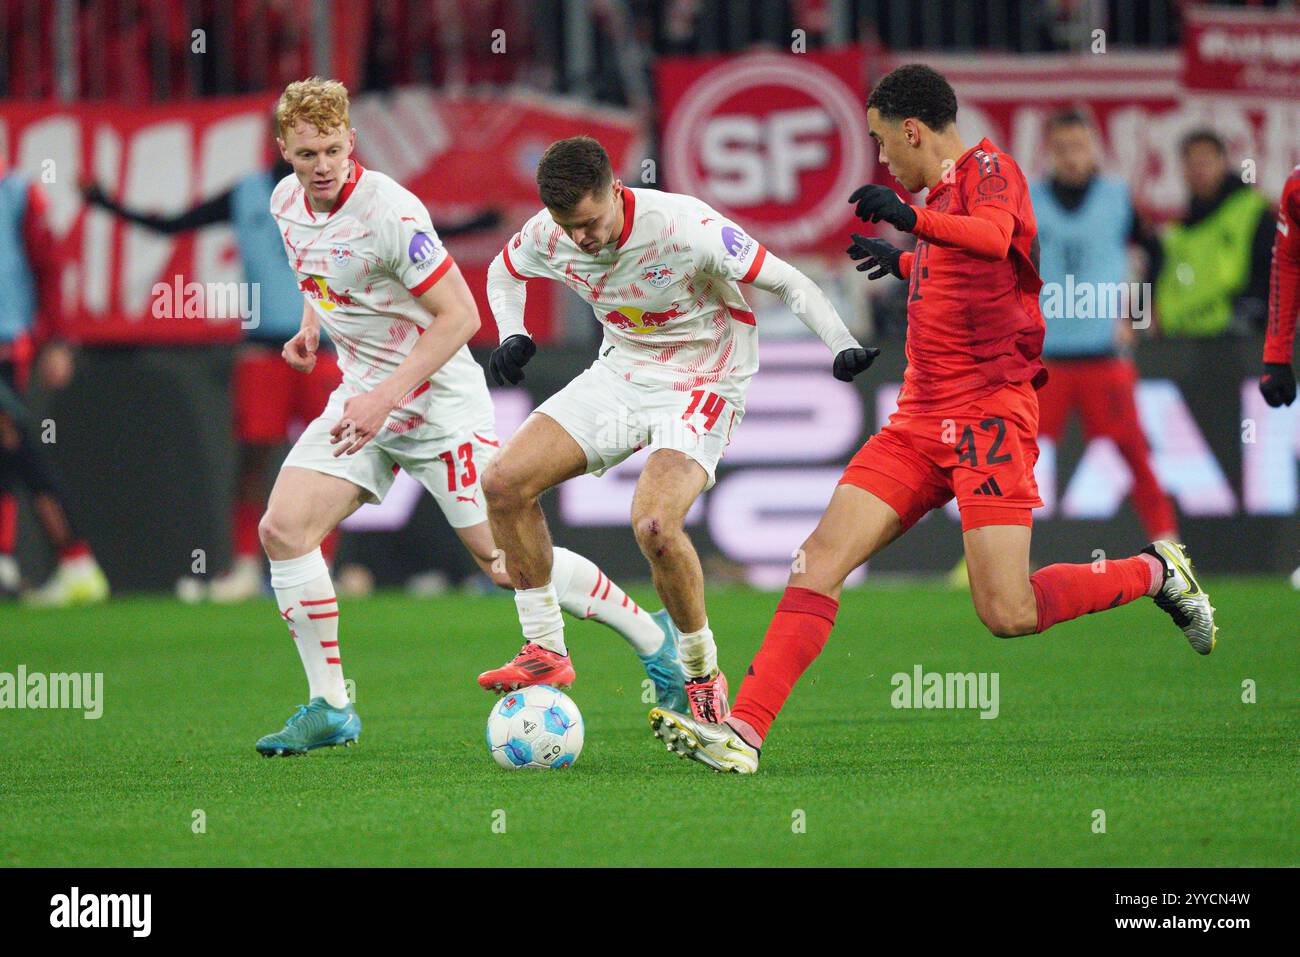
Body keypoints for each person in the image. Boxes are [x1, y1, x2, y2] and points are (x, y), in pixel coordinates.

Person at [647, 64, 1218, 774]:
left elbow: (989, 237)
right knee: (818, 559)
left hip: (989, 417)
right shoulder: (948, 194)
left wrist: (911, 219)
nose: (883, 158)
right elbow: (971, 268)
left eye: (884, 143)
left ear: (913, 130)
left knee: (1006, 612)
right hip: (918, 418)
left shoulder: (992, 170)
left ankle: (1155, 572)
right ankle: (744, 731)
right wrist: (909, 261)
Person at [253, 78, 680, 757]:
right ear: (285, 151)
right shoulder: (285, 203)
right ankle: (331, 705)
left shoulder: (390, 212)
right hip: (364, 399)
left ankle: (658, 644)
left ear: (351, 142)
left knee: (508, 565)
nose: (323, 166)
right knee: (283, 529)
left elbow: (461, 316)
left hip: (435, 405)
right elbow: (323, 276)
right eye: (307, 154)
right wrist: (312, 325)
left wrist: (384, 397)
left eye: (334, 149)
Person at [475, 136, 877, 724]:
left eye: (589, 222)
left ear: (616, 190)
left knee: (655, 524)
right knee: (503, 482)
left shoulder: (685, 226)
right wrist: (512, 331)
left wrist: (840, 345)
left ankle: (700, 671)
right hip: (622, 371)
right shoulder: (549, 233)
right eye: (569, 227)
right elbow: (502, 272)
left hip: (704, 380)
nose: (581, 239)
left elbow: (789, 281)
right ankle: (546, 649)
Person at [82, 150, 500, 602]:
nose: (317, 159)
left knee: (338, 454)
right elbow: (173, 224)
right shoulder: (256, 195)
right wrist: (106, 203)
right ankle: (242, 568)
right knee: (254, 459)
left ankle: (323, 566)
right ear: (282, 143)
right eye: (302, 145)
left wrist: (476, 223)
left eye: (325, 146)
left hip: (329, 353)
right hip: (264, 351)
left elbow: (415, 237)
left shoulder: (360, 201)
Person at [1030, 110, 1178, 542]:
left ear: (1093, 147)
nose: (1072, 157)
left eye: (1078, 147)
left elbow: (1157, 252)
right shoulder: (1030, 200)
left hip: (1103, 354)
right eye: (1062, 148)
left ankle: (1168, 547)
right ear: (1049, 152)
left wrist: (1136, 314)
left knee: (1133, 452)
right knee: (1017, 459)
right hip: (1045, 357)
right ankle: (998, 556)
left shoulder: (1118, 198)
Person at [0, 159, 109, 605]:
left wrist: (59, 339)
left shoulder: (17, 194)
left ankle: (76, 558)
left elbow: (49, 264)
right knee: (11, 449)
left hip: (6, 345)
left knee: (17, 443)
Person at [1152, 129, 1273, 337]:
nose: (1199, 170)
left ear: (1223, 163)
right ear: (1183, 170)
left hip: (1240, 342)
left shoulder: (1252, 212)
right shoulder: (1175, 234)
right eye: (1192, 163)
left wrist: (1252, 313)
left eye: (1206, 161)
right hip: (1182, 344)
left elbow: (1271, 271)